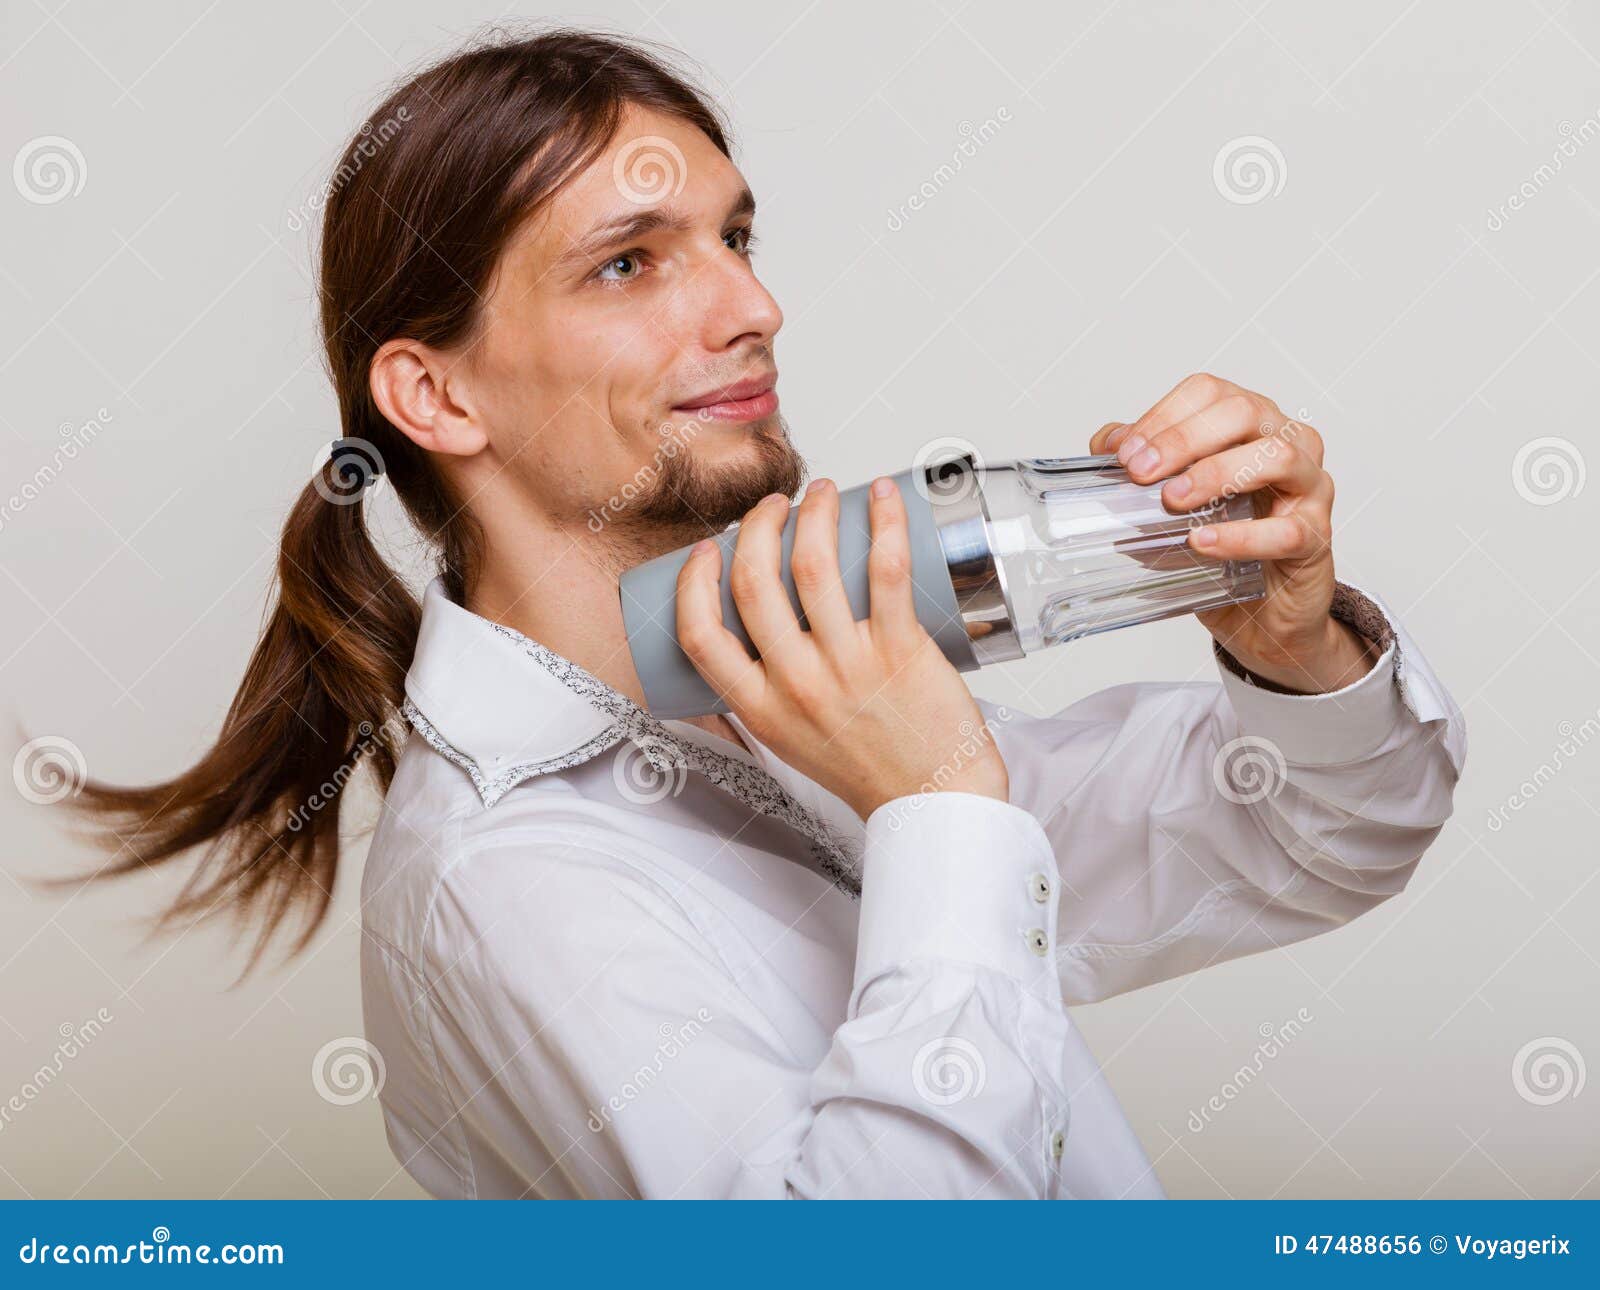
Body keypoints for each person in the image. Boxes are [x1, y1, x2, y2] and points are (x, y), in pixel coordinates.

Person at [71, 29, 1466, 1199]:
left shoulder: (780, 701)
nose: (755, 305)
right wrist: (935, 800)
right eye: (631, 261)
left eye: (734, 236)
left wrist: (1290, 644)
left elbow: (1318, 840)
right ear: (437, 397)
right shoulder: (505, 881)